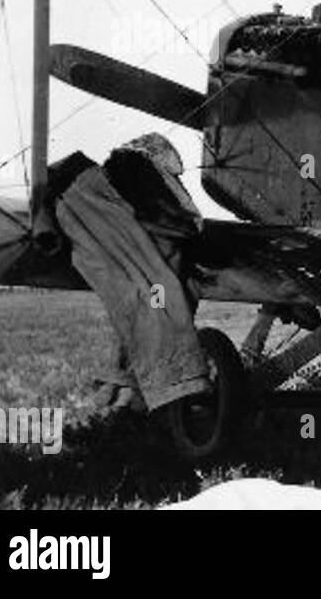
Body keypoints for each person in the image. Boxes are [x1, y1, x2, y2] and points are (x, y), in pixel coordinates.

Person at [51, 133, 212, 415]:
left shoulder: (162, 214)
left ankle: (137, 385)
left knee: (146, 297)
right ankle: (140, 386)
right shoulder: (139, 189)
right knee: (148, 297)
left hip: (88, 193)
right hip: (92, 195)